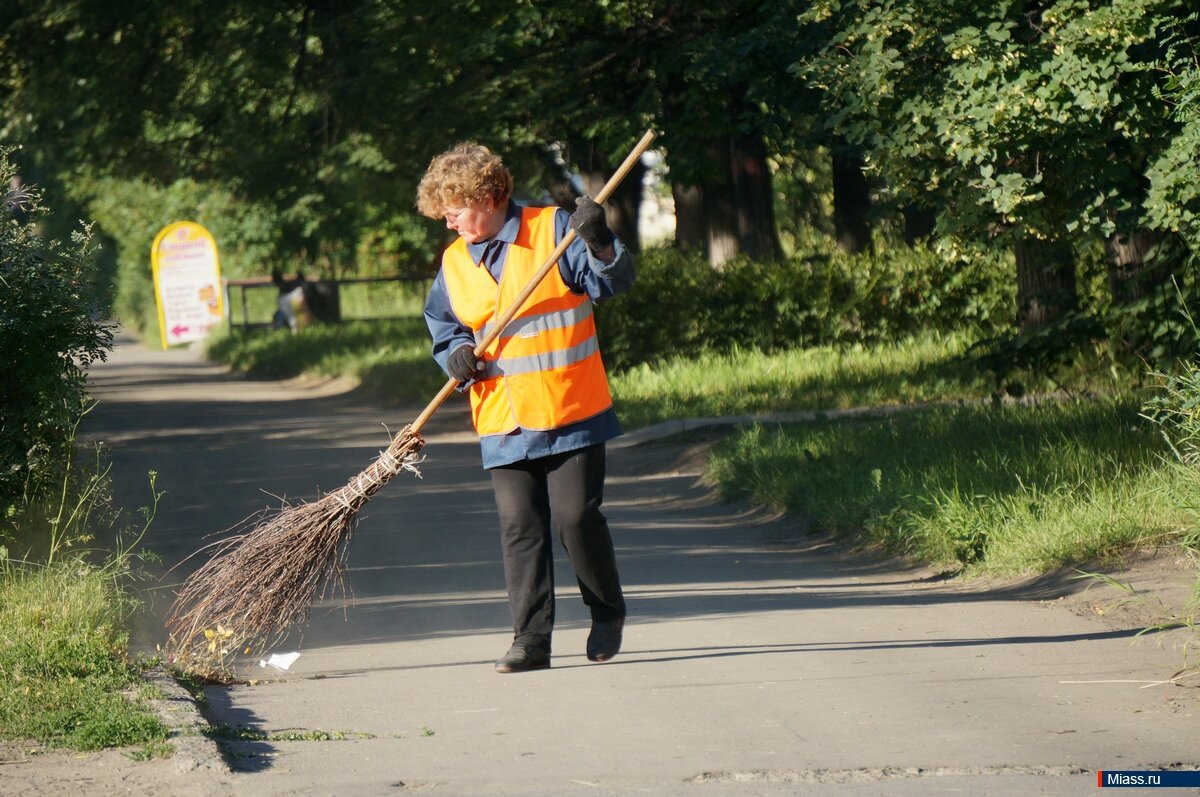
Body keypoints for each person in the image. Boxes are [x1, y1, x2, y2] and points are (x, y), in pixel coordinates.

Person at [417, 142, 635, 673]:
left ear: (489, 197)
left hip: (569, 409)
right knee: (520, 526)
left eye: (455, 211)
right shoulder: (453, 262)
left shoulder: (555, 232)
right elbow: (444, 329)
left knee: (575, 519)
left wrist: (601, 242)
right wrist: (455, 355)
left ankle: (606, 613)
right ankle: (530, 641)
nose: (449, 225)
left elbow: (612, 282)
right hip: (503, 419)